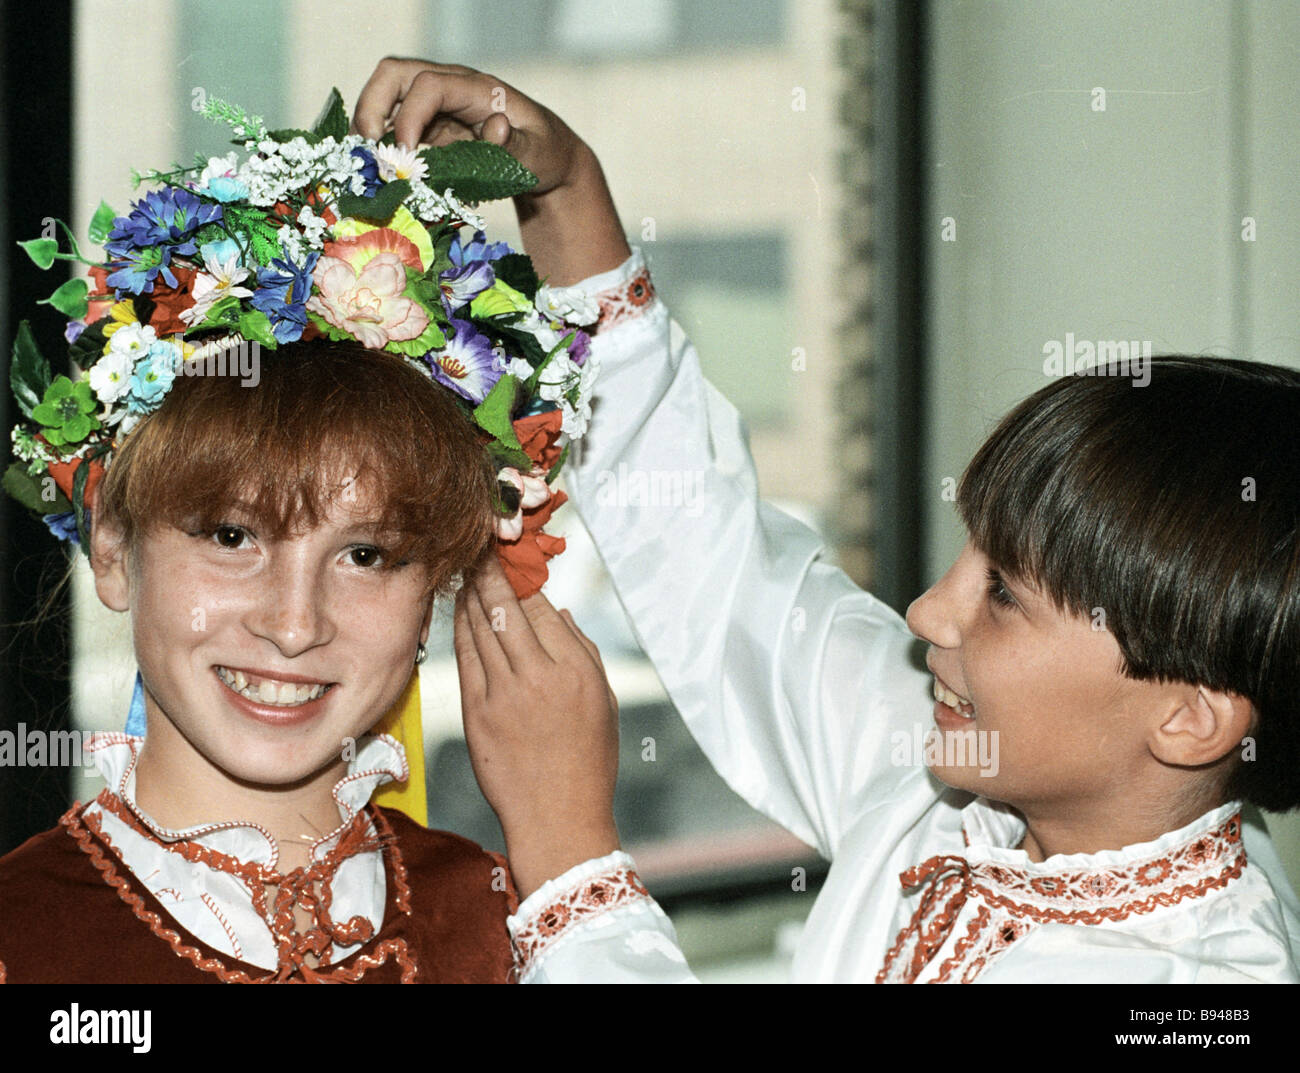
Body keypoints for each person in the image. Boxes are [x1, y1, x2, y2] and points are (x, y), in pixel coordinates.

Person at [354, 61, 1300, 982]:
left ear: (1188, 718)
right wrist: (566, 191)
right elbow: (727, 569)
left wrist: (570, 853)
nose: (929, 611)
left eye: (1004, 593)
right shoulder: (969, 788)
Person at [0, 71, 606, 983]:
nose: (293, 623)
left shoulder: (530, 925)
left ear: (438, 583)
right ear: (114, 547)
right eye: (232, 537)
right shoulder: (23, 939)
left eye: (365, 554)